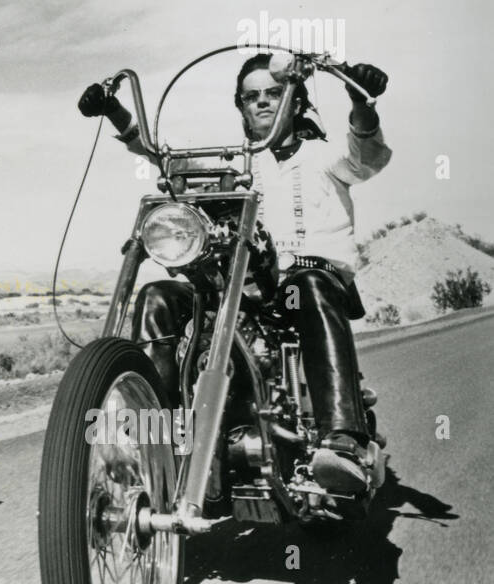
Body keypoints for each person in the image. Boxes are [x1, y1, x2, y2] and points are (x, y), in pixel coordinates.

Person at [78, 55, 391, 493]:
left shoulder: (325, 155)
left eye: (273, 93)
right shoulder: (237, 166)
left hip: (302, 290)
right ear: (240, 106)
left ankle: (342, 442)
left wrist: (361, 99)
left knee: (311, 282)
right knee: (157, 297)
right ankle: (153, 436)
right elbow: (166, 160)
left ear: (295, 99)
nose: (263, 102)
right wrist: (115, 112)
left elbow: (367, 155)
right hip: (238, 292)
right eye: (252, 96)